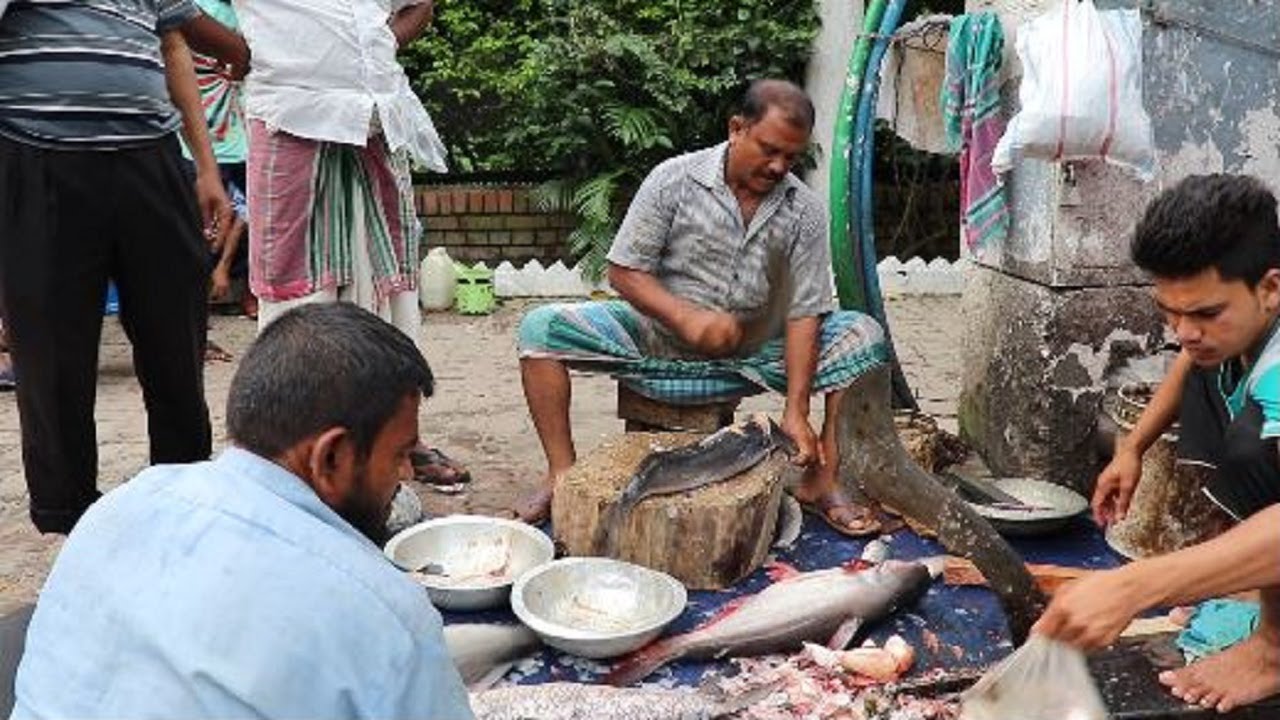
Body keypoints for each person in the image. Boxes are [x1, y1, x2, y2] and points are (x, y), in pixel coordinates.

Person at [11, 303, 474, 719]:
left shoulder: (120, 506)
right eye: (399, 454)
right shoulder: (387, 617)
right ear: (330, 457)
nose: (407, 475)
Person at [515, 80, 890, 529]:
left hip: (754, 352)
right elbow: (623, 271)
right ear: (737, 128)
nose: (777, 167)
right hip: (656, 338)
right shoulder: (674, 179)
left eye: (791, 157)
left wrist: (796, 409)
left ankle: (822, 480)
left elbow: (804, 310)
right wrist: (684, 316)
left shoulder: (804, 210)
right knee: (539, 330)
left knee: (862, 335)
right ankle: (561, 473)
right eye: (769, 150)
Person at [200, 0, 472, 489]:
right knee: (295, 293)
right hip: (291, 115)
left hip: (377, 122)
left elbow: (419, 6)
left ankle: (394, 441)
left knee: (389, 289)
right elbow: (171, 10)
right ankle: (284, 452)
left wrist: (377, 45)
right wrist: (243, 52)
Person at [1034, 174, 1280, 713]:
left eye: (1204, 313)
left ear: (1271, 287)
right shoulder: (1231, 324)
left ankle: (1273, 651)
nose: (1183, 332)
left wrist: (1136, 587)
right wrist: (1131, 448)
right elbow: (1189, 359)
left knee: (1251, 443)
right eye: (1171, 313)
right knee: (1212, 375)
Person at [0, 1, 232, 534]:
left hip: (151, 159)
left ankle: (186, 500)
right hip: (38, 157)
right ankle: (70, 520)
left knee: (176, 340)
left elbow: (173, 44)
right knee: (52, 358)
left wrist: (205, 167)